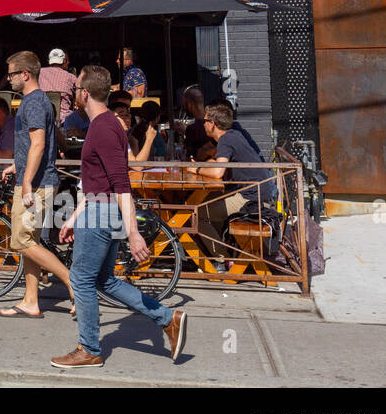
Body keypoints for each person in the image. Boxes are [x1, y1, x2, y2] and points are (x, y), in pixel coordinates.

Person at [51, 64, 186, 369]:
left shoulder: (103, 128)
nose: (74, 93)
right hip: (98, 208)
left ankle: (89, 349)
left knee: (81, 280)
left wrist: (133, 232)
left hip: (102, 213)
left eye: (76, 89)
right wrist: (74, 217)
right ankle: (168, 319)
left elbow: (120, 182)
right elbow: (97, 181)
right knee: (105, 280)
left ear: (85, 94)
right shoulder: (107, 124)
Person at [0, 51, 75, 318]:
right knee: (30, 241)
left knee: (21, 240)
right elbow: (32, 146)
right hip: (37, 179)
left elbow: (39, 144)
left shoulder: (32, 102)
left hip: (37, 183)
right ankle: (31, 300)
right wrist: (17, 165)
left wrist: (27, 181)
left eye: (11, 74)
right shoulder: (38, 101)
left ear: (25, 74)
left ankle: (71, 281)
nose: (7, 79)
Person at [194, 102, 277, 258]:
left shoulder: (225, 140)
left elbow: (218, 172)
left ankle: (221, 259)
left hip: (253, 199)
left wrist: (196, 169)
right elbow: (218, 164)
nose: (203, 125)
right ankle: (223, 251)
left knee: (197, 214)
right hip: (260, 194)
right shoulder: (233, 135)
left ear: (212, 124)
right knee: (208, 202)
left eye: (204, 121)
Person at [39, 49, 76, 125]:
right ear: (64, 61)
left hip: (42, 117)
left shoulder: (39, 73)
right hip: (64, 119)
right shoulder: (71, 77)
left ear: (49, 60)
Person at [181, 86, 215, 161]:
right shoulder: (214, 123)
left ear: (190, 104)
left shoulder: (193, 128)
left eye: (184, 104)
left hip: (200, 169)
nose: (184, 107)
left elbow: (189, 157)